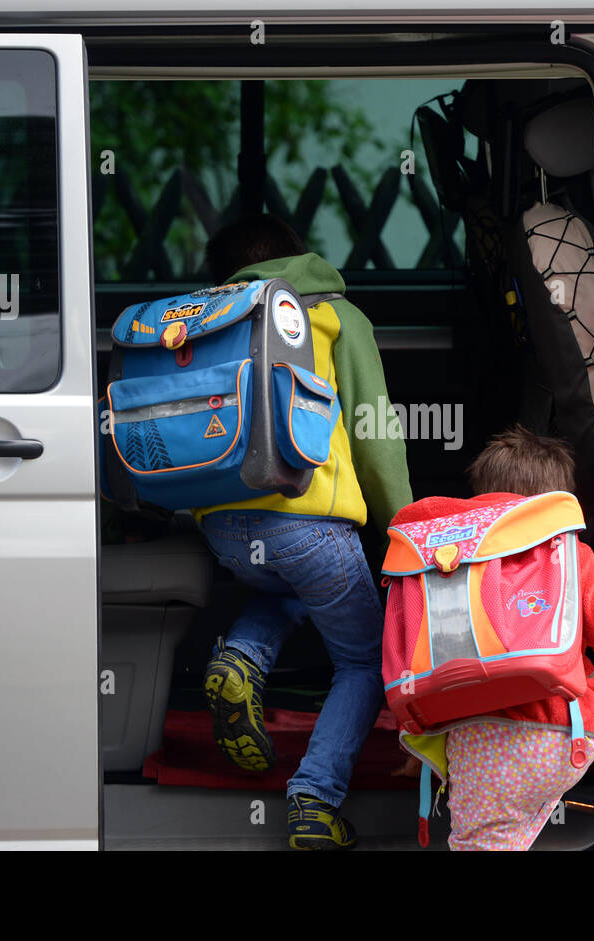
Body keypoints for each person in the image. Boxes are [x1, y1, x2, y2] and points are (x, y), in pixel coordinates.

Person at [194, 213, 413, 850]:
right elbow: (375, 434)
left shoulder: (212, 316)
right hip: (309, 524)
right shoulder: (333, 315)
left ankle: (239, 658)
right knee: (366, 659)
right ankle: (315, 798)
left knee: (283, 591)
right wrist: (406, 529)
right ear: (300, 256)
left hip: (226, 530)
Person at [390, 424, 594, 850]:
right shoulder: (570, 556)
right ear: (556, 502)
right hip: (557, 735)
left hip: (471, 739)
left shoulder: (444, 565)